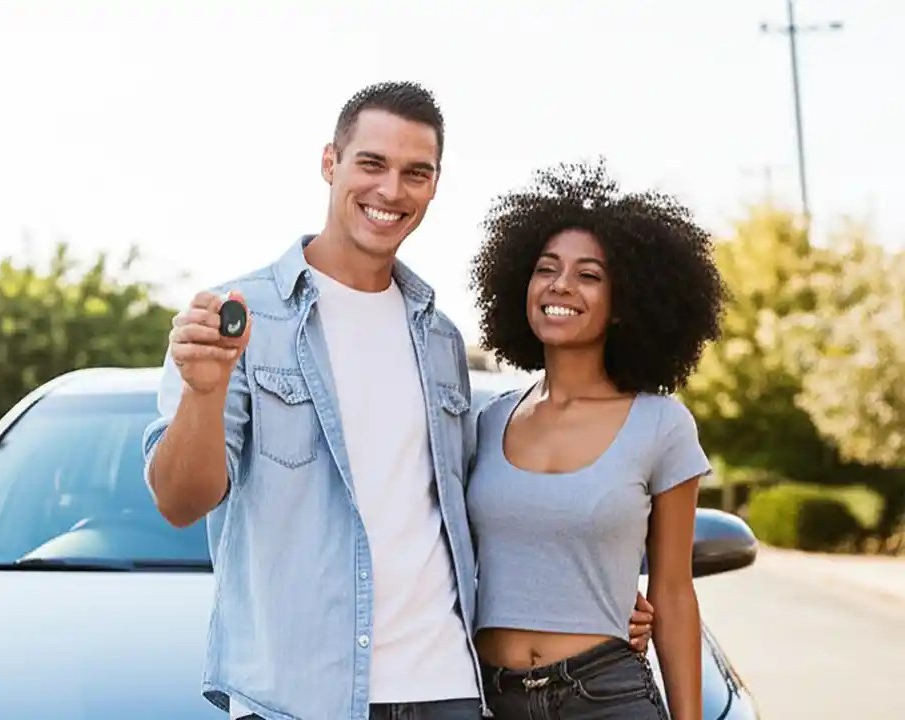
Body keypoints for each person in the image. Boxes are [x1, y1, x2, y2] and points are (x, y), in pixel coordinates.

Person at [141, 83, 653, 720]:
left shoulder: (440, 338)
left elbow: (476, 512)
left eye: (417, 173)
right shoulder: (240, 318)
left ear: (435, 186)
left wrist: (588, 596)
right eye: (372, 164)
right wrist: (202, 393)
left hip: (448, 689)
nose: (391, 191)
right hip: (302, 699)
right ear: (330, 163)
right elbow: (179, 501)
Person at [465, 160, 726, 719]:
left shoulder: (661, 425)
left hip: (603, 696)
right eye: (546, 269)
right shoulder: (486, 422)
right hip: (490, 699)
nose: (561, 286)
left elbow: (674, 594)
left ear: (624, 303)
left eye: (589, 275)